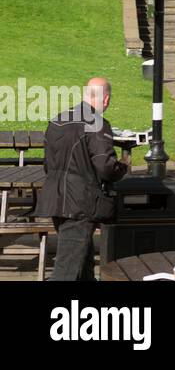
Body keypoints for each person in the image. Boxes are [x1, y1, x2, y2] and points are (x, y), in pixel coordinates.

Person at [35, 78, 129, 281]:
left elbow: (47, 164)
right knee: (66, 271)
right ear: (105, 99)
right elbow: (105, 167)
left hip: (56, 199)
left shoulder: (58, 119)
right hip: (79, 203)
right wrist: (123, 167)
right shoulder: (96, 123)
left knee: (82, 261)